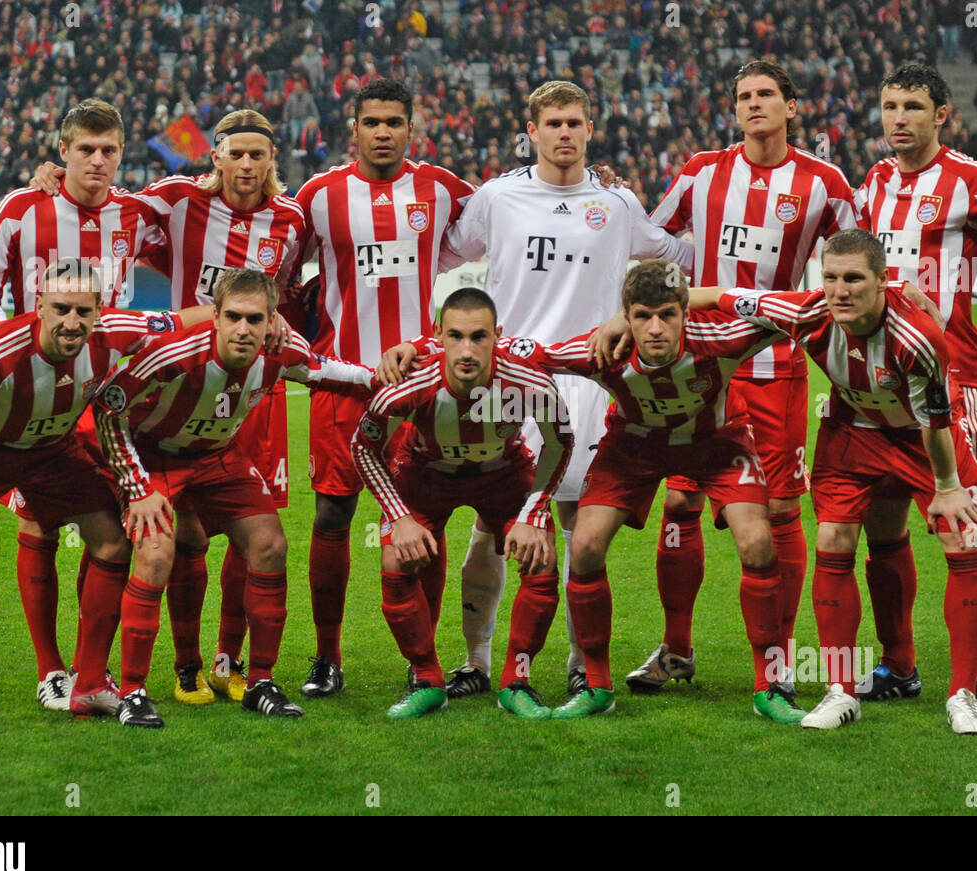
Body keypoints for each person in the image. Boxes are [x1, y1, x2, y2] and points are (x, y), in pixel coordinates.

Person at [31, 109, 304, 709]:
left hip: (254, 387)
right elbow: (109, 205)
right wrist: (59, 177)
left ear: (272, 159)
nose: (248, 165)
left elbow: (301, 290)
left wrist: (281, 323)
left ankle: (235, 661)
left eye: (260, 155)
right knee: (183, 537)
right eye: (236, 153)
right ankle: (172, 668)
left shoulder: (292, 218)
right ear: (217, 156)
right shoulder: (176, 200)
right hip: (173, 383)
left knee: (256, 533)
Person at [436, 81, 695, 698]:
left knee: (581, 533)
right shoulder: (497, 198)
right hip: (508, 385)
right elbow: (438, 254)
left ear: (589, 129)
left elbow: (681, 254)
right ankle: (477, 662)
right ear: (532, 129)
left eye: (575, 122)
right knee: (495, 528)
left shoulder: (617, 203)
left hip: (587, 386)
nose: (565, 133)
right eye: (553, 122)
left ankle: (583, 666)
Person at [697, 229, 977, 734]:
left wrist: (947, 486)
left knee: (964, 537)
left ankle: (964, 696)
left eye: (854, 278)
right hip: (851, 432)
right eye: (830, 277)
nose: (840, 290)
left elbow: (935, 425)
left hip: (924, 438)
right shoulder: (806, 311)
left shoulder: (917, 338)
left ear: (882, 281)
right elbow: (717, 294)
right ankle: (841, 690)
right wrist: (637, 310)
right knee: (833, 540)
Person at [490, 258, 794, 720]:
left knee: (756, 541)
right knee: (587, 545)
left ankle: (769, 686)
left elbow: (809, 309)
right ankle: (596, 686)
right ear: (626, 318)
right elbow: (523, 351)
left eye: (667, 314)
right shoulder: (602, 352)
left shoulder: (722, 341)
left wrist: (893, 289)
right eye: (642, 316)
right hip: (633, 448)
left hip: (715, 443)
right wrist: (419, 348)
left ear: (685, 314)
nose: (655, 328)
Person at [638, 59, 856, 696]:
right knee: (679, 500)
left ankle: (779, 662)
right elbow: (653, 238)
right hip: (699, 370)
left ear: (792, 107)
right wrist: (693, 276)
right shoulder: (703, 171)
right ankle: (677, 650)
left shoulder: (824, 182)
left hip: (773, 368)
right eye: (743, 97)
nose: (753, 104)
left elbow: (857, 259)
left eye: (766, 95)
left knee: (781, 512)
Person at [0, 259, 195, 734]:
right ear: (40, 307)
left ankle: (88, 682)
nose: (72, 322)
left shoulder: (115, 332)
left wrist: (251, 313)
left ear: (99, 311)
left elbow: (180, 319)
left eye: (83, 311)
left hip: (51, 452)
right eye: (61, 309)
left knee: (113, 539)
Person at [92, 268, 376, 728]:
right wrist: (138, 487)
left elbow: (335, 373)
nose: (243, 329)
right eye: (234, 317)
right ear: (216, 318)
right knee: (158, 552)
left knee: (270, 544)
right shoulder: (174, 354)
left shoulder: (282, 354)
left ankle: (261, 681)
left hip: (217, 458)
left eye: (255, 319)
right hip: (155, 456)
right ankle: (132, 691)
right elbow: (108, 407)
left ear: (272, 322)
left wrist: (393, 375)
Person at [856, 63, 977, 710]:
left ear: (942, 114)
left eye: (912, 106)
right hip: (879, 378)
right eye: (890, 106)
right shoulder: (876, 180)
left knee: (970, 517)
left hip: (952, 374)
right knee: (882, 522)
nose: (898, 118)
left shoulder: (971, 179)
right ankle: (898, 665)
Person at [0, 99, 165, 711]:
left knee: (109, 527)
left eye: (109, 151)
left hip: (102, 392)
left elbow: (195, 225)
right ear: (64, 152)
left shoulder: (135, 215)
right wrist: (12, 355)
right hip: (33, 395)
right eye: (86, 150)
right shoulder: (23, 209)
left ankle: (89, 673)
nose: (98, 161)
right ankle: (51, 669)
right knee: (39, 524)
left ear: (122, 155)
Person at [292, 78, 476, 699]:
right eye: (372, 121)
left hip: (422, 383)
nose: (383, 132)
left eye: (394, 121)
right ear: (354, 128)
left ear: (411, 127)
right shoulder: (319, 196)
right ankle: (326, 656)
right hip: (342, 380)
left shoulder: (443, 188)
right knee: (331, 515)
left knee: (423, 520)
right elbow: (283, 265)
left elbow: (504, 216)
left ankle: (422, 658)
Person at [354, 289, 573, 719]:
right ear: (437, 336)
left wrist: (535, 513)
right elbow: (363, 447)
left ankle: (517, 681)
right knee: (397, 558)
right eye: (455, 336)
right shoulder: (410, 384)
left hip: (503, 472)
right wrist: (399, 518)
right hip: (426, 472)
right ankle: (426, 679)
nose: (467, 350)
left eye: (479, 336)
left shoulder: (528, 382)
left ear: (498, 337)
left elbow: (560, 441)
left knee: (541, 554)